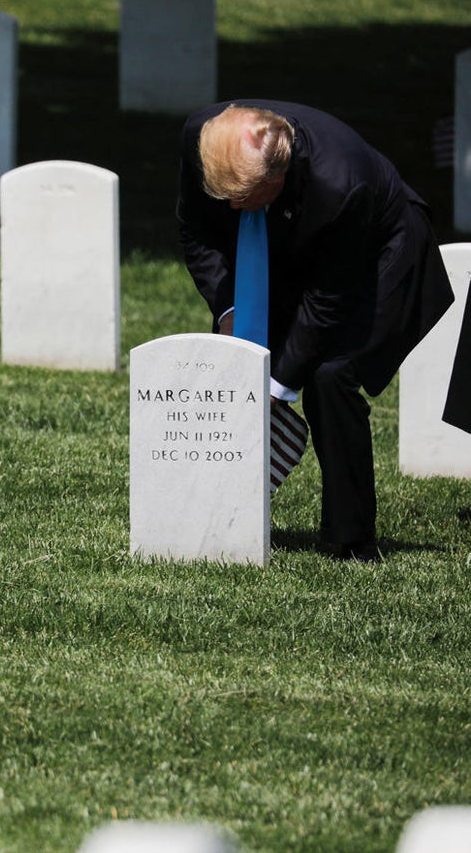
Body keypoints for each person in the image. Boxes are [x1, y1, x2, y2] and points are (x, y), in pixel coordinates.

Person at [176, 100, 456, 561]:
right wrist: (230, 312)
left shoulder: (341, 184)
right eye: (222, 193)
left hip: (378, 253)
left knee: (331, 374)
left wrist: (274, 387)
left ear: (277, 178)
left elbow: (327, 302)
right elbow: (196, 230)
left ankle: (352, 536)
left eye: (242, 197)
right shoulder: (199, 137)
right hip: (284, 244)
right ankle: (220, 512)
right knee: (240, 360)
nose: (230, 205)